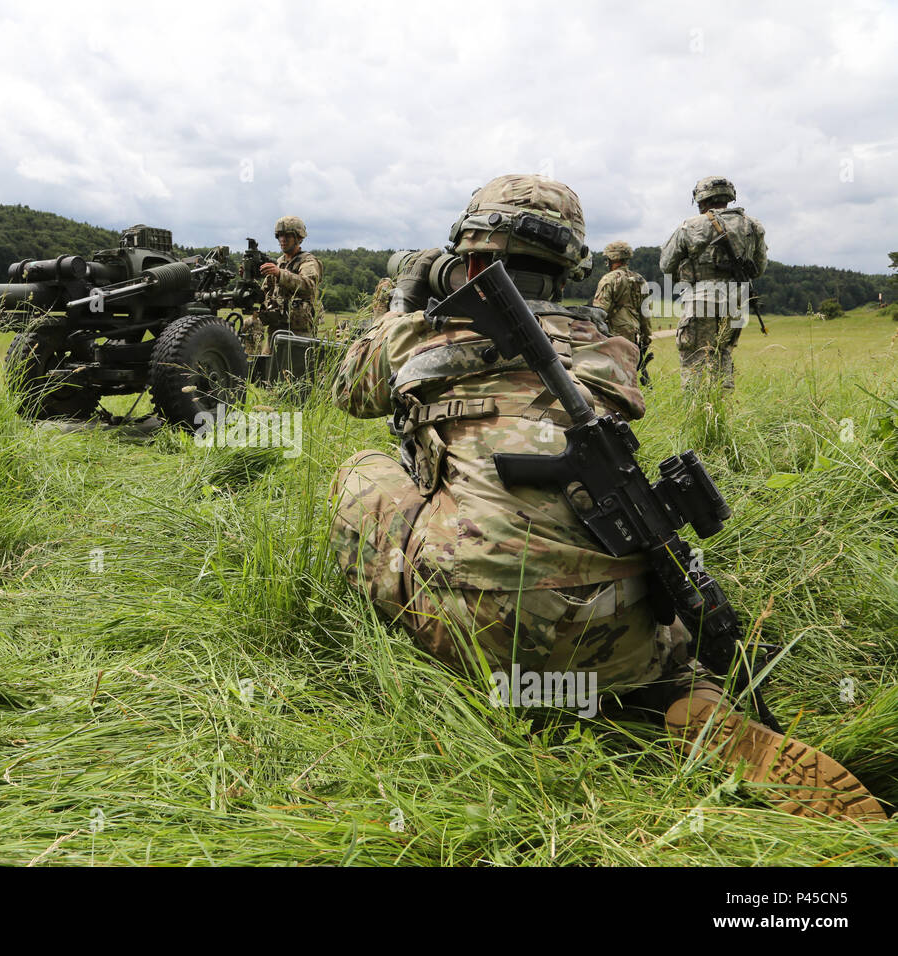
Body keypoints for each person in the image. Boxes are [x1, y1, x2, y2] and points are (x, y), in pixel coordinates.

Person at [328, 173, 883, 821]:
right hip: (613, 636)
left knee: (360, 472)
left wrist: (405, 296)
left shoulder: (417, 337)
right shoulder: (607, 349)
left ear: (470, 258)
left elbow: (349, 389)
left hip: (475, 629)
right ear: (569, 269)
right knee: (632, 605)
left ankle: (485, 644)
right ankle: (678, 693)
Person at [660, 176, 766, 389]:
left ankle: (696, 416)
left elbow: (666, 265)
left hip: (700, 302)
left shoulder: (690, 226)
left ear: (701, 199)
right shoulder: (752, 226)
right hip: (734, 303)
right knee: (723, 357)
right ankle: (721, 414)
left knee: (693, 362)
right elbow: (759, 268)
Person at [255, 216, 323, 352]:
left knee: (295, 370)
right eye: (279, 236)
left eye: (287, 236)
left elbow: (308, 286)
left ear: (298, 237)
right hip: (275, 330)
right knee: (266, 368)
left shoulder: (308, 261)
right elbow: (263, 292)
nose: (282, 239)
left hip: (299, 333)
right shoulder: (279, 262)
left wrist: (280, 274)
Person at [593, 240, 651, 359]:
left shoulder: (608, 279)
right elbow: (645, 314)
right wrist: (646, 337)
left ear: (612, 259)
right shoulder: (640, 280)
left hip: (612, 334)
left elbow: (599, 312)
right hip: (633, 334)